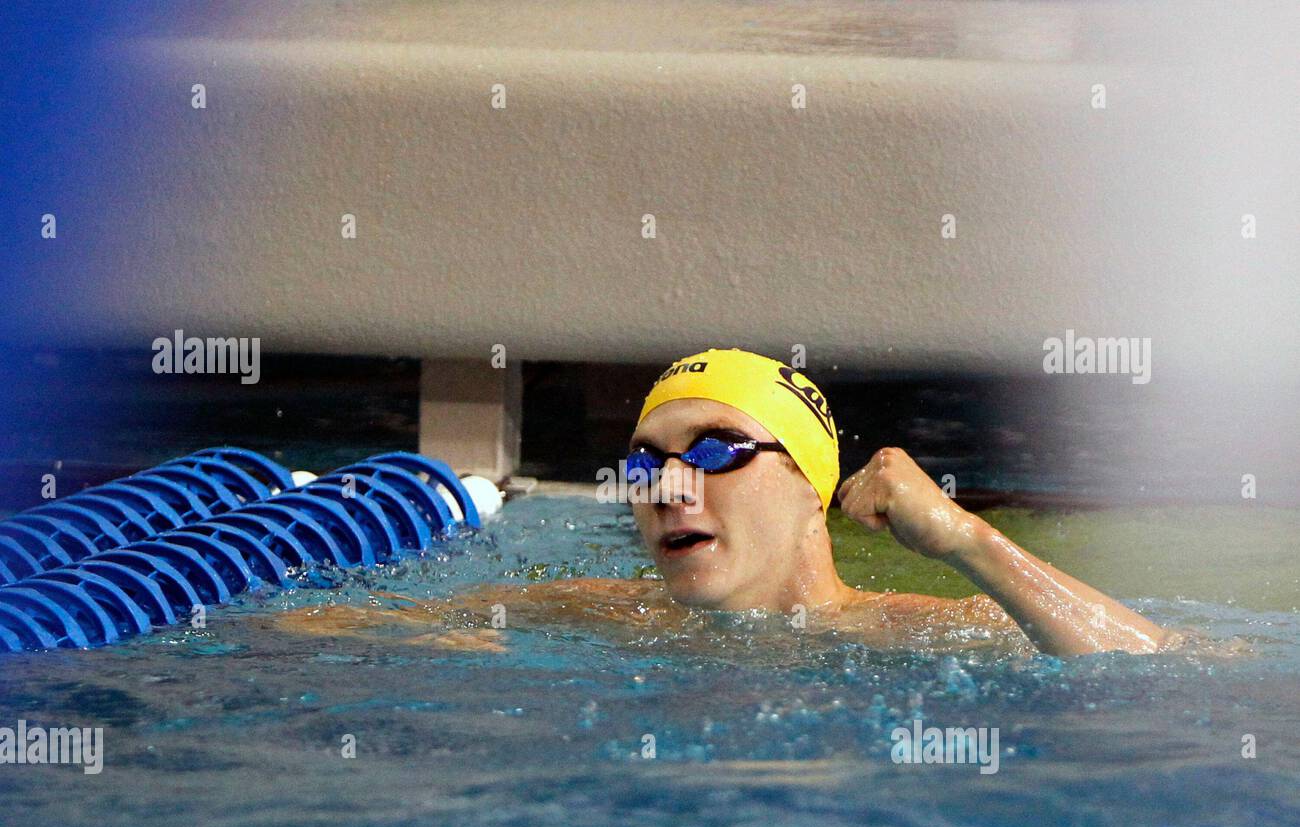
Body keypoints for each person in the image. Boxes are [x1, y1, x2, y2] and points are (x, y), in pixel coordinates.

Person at [274, 348, 1192, 657]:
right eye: (646, 462)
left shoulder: (913, 631)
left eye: (715, 451)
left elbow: (1164, 666)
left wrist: (970, 543)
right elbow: (344, 631)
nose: (670, 484)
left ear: (809, 487)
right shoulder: (598, 618)